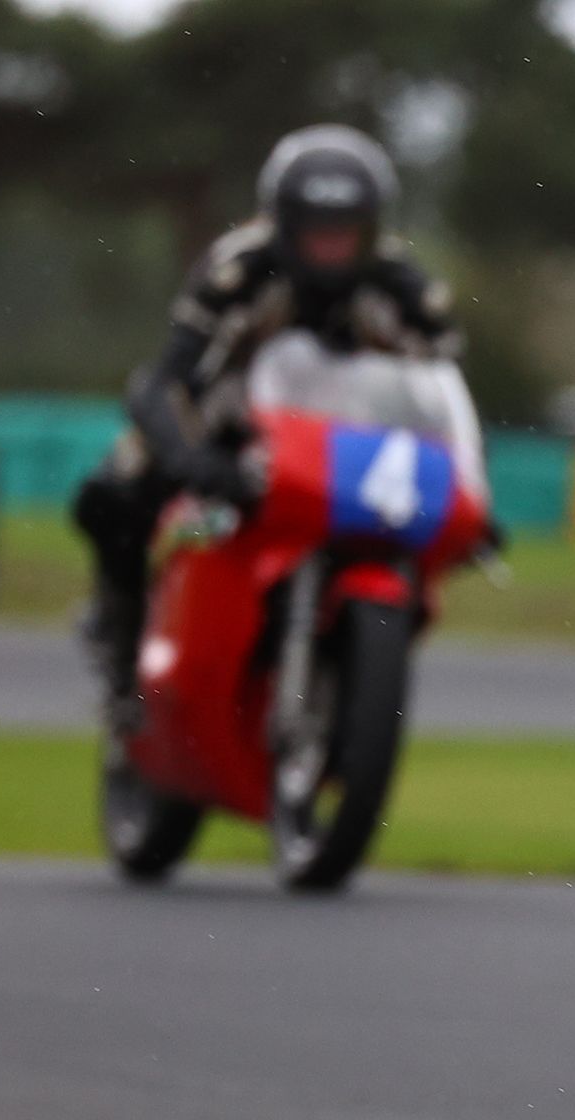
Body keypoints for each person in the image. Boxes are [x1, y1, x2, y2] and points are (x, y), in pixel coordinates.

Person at [71, 125, 462, 708]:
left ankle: (356, 674)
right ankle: (121, 639)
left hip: (354, 463)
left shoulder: (410, 292)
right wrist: (190, 460)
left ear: (373, 226)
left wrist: (465, 487)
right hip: (236, 448)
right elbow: (162, 382)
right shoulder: (237, 271)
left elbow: (446, 399)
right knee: (115, 493)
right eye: (315, 231)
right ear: (281, 222)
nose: (330, 247)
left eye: (344, 231)